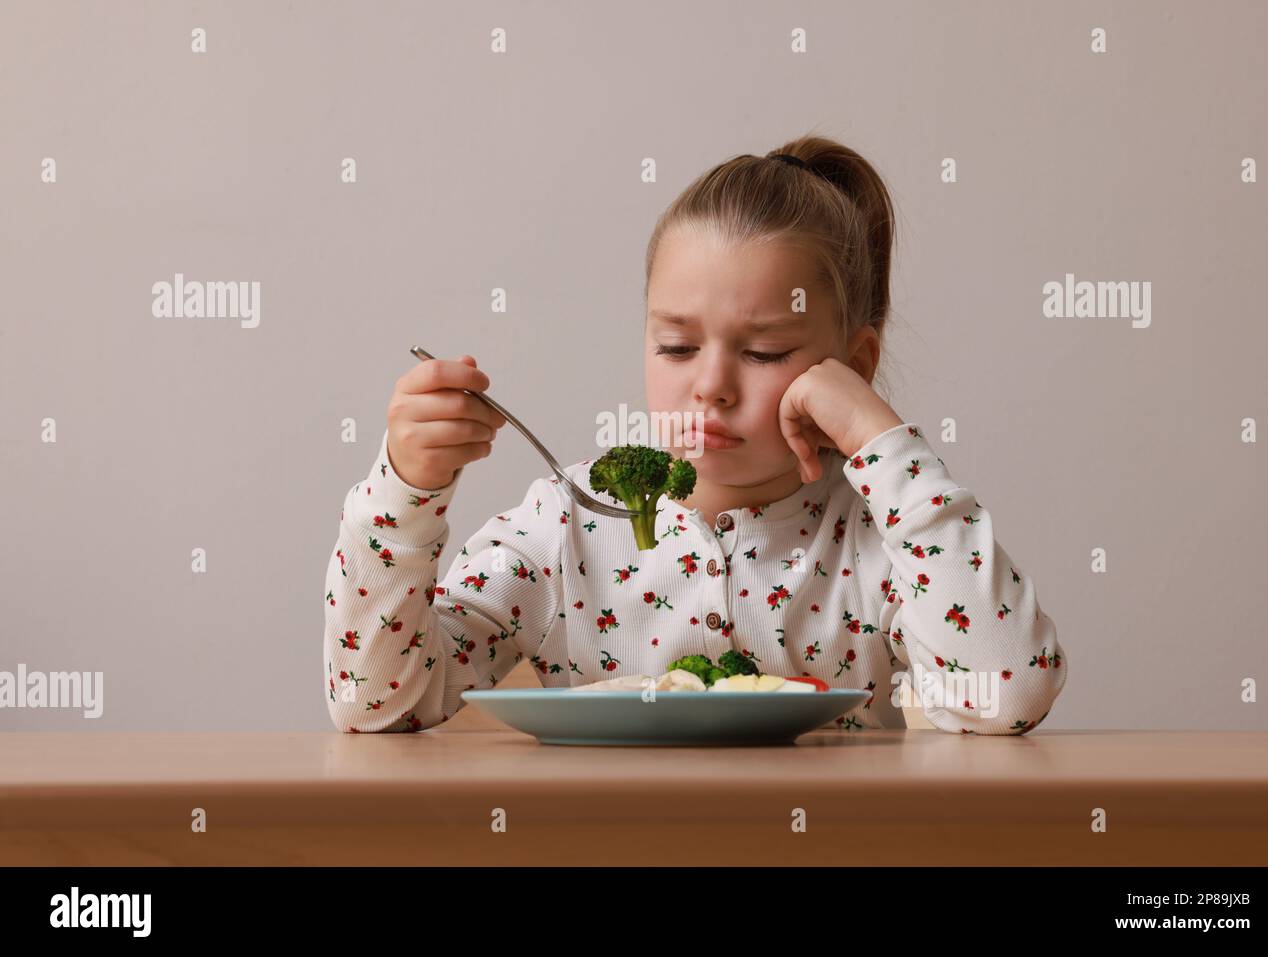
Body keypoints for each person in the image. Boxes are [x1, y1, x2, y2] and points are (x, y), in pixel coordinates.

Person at [322, 134, 1066, 735]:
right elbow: (377, 702)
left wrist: (881, 436)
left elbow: (1009, 691)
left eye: (765, 351)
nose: (709, 384)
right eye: (676, 347)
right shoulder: (565, 525)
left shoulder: (876, 538)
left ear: (852, 365)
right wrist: (402, 493)